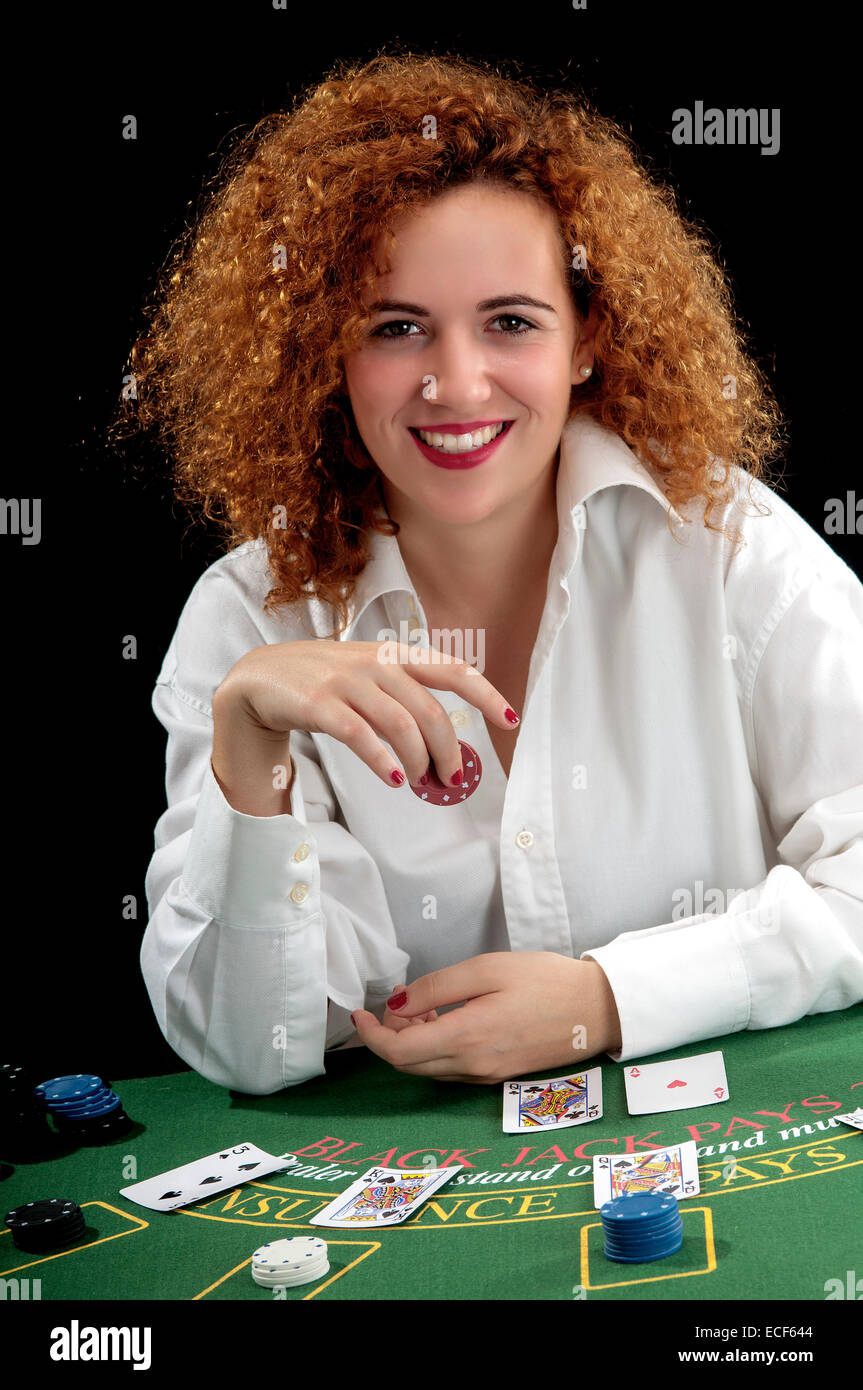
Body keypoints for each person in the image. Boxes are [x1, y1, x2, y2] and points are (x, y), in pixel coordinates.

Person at [120, 52, 863, 1095]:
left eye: (509, 321)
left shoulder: (731, 546)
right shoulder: (246, 615)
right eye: (395, 327)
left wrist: (608, 997)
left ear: (585, 338)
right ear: (321, 350)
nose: (453, 383)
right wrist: (252, 755)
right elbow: (247, 1044)